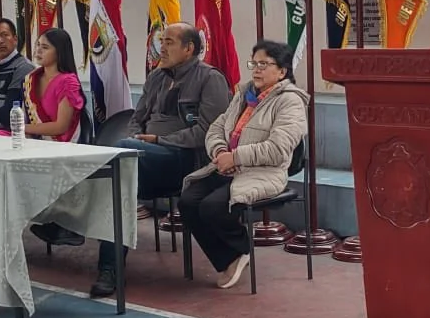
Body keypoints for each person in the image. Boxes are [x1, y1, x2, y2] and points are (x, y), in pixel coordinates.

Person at [86, 22, 232, 298]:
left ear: (189, 48)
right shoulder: (156, 77)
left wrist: (159, 142)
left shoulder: (209, 78)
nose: (160, 47)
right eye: (161, 41)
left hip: (186, 161)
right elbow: (136, 120)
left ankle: (73, 228)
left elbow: (208, 133)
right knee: (121, 182)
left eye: (169, 42)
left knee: (122, 158)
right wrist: (138, 141)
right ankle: (110, 269)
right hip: (143, 160)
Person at [179, 40, 308, 289]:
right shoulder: (244, 95)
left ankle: (239, 248)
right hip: (228, 166)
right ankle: (230, 256)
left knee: (212, 207)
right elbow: (217, 127)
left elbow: (278, 149)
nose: (256, 69)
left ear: (282, 71)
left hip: (264, 172)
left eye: (264, 64)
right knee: (188, 201)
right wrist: (219, 150)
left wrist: (235, 157)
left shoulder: (291, 102)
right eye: (254, 63)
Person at [18, 28, 86, 143]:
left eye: (45, 47)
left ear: (59, 52)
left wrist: (20, 128)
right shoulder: (31, 78)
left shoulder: (68, 82)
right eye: (38, 45)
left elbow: (61, 127)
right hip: (34, 142)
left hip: (61, 146)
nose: (38, 50)